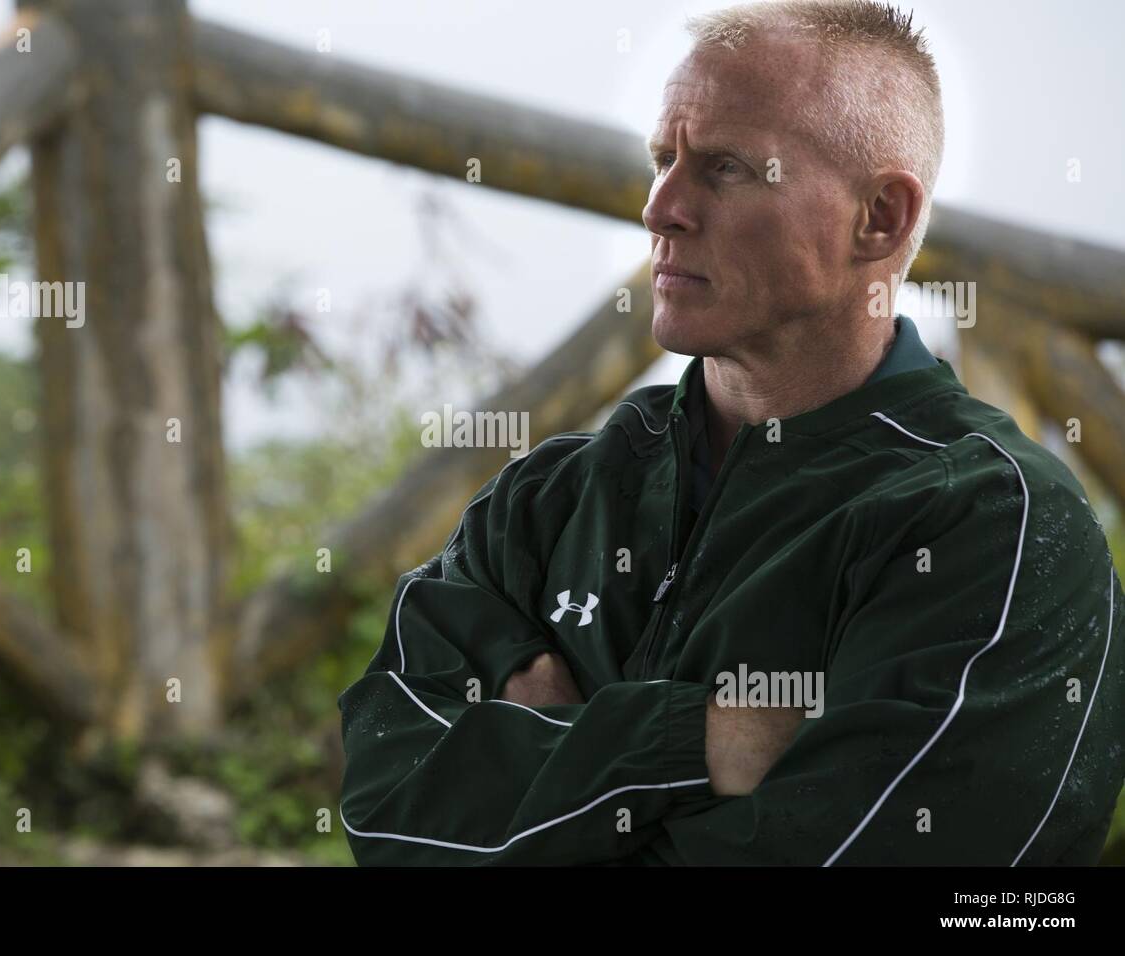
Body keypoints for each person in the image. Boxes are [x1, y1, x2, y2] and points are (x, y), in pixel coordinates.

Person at [336, 0, 1125, 865]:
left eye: (725, 169)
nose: (660, 208)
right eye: (661, 160)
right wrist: (692, 739)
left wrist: (545, 766)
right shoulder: (546, 499)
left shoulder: (996, 523)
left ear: (882, 218)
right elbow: (385, 809)